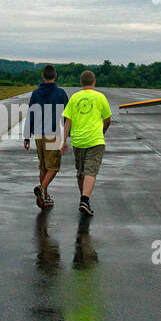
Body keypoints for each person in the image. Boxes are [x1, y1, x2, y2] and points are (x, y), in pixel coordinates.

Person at [59, 70, 112, 216]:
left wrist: (63, 141)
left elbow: (67, 121)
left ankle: (83, 199)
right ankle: (85, 199)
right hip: (95, 140)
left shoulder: (75, 98)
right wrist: (102, 131)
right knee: (91, 171)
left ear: (81, 82)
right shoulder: (100, 97)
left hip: (78, 141)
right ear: (94, 82)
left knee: (81, 171)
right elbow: (108, 119)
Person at [23, 65, 70, 208]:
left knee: (43, 166)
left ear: (43, 76)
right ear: (55, 75)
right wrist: (68, 136)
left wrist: (26, 136)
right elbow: (67, 116)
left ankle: (45, 197)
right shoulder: (60, 93)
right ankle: (42, 189)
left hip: (38, 133)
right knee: (54, 166)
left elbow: (30, 114)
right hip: (53, 133)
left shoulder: (36, 93)